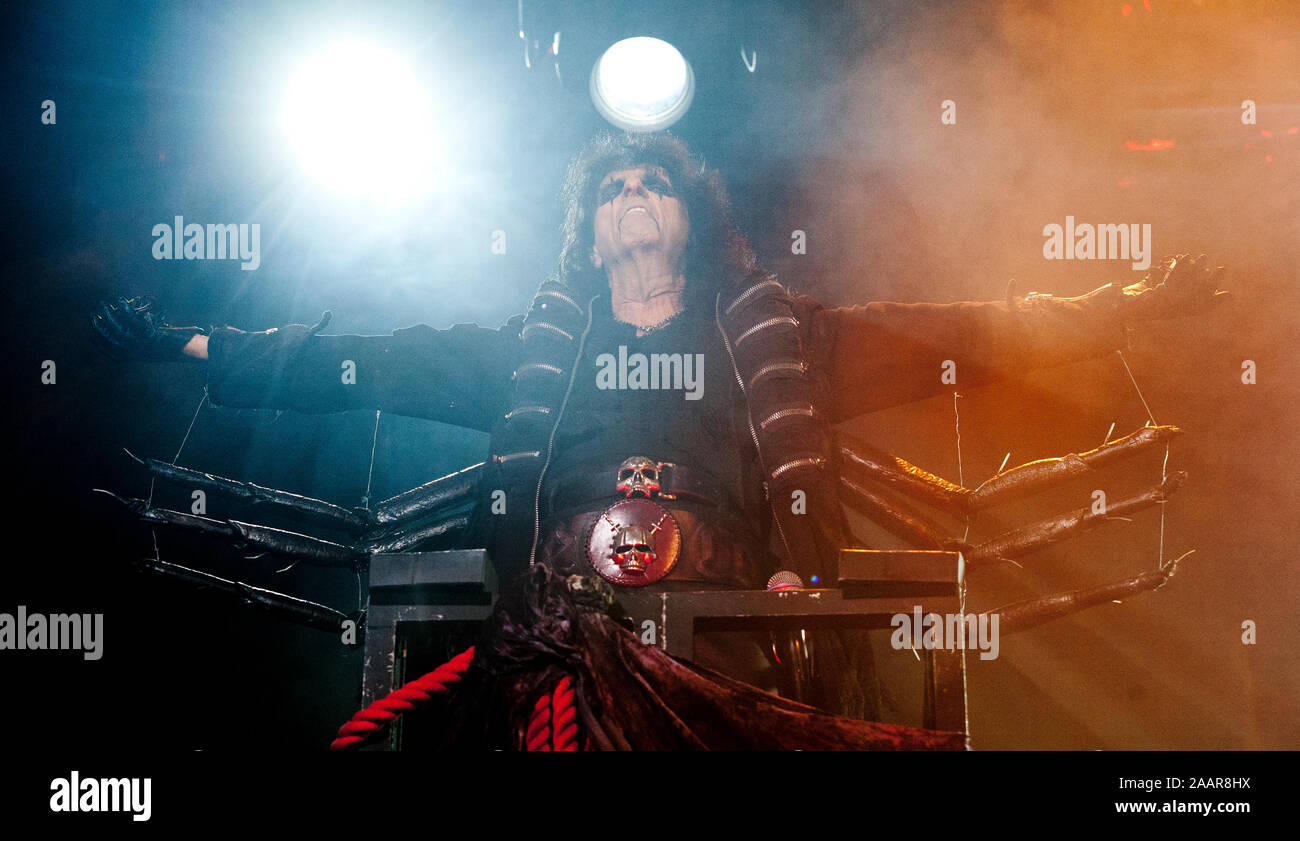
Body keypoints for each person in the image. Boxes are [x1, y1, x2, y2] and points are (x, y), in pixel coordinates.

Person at [93, 132, 1226, 749]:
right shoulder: (529, 350)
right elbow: (361, 359)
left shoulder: (774, 335)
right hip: (561, 645)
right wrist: (185, 344)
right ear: (589, 235)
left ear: (690, 217)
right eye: (614, 189)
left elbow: (973, 334)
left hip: (721, 639)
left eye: (655, 184)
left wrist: (1128, 302)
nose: (635, 198)